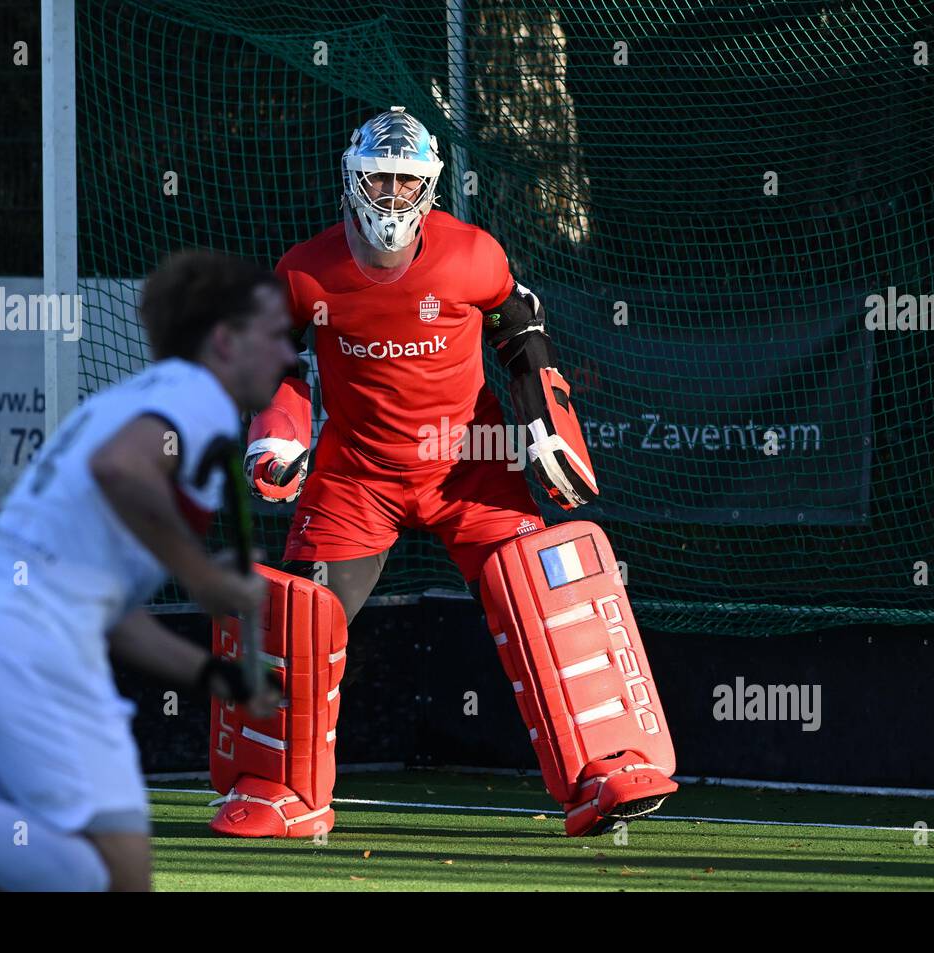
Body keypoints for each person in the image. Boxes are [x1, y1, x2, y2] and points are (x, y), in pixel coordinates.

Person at [211, 108, 678, 840]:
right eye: (379, 179)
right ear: (351, 180)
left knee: (546, 593)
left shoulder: (472, 255)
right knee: (297, 614)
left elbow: (519, 324)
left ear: (430, 187)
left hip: (471, 466)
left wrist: (546, 426)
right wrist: (277, 433)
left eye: (407, 181)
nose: (392, 196)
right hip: (358, 472)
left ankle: (606, 765)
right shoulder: (306, 270)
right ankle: (280, 788)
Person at [0, 251, 298, 889]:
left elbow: (116, 616)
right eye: (274, 336)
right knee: (118, 879)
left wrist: (213, 675)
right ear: (223, 340)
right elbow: (120, 469)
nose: (290, 356)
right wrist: (205, 579)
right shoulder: (196, 396)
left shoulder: (126, 400)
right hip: (23, 646)